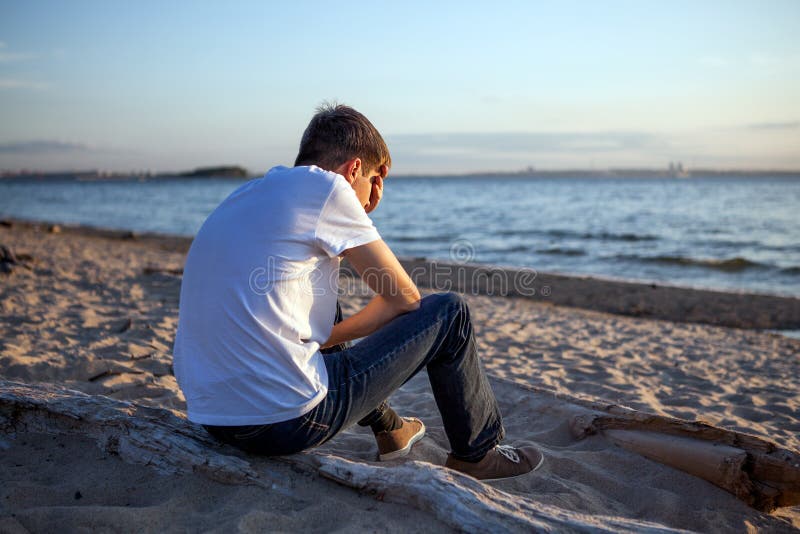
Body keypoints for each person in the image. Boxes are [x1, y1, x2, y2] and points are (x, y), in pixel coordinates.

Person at [172, 103, 544, 480]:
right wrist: (359, 212)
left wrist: (326, 332)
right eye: (374, 180)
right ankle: (477, 455)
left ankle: (390, 428)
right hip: (282, 422)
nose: (372, 195)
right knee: (449, 312)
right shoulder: (329, 188)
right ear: (354, 170)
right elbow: (404, 298)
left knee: (318, 291)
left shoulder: (250, 193)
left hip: (215, 418)